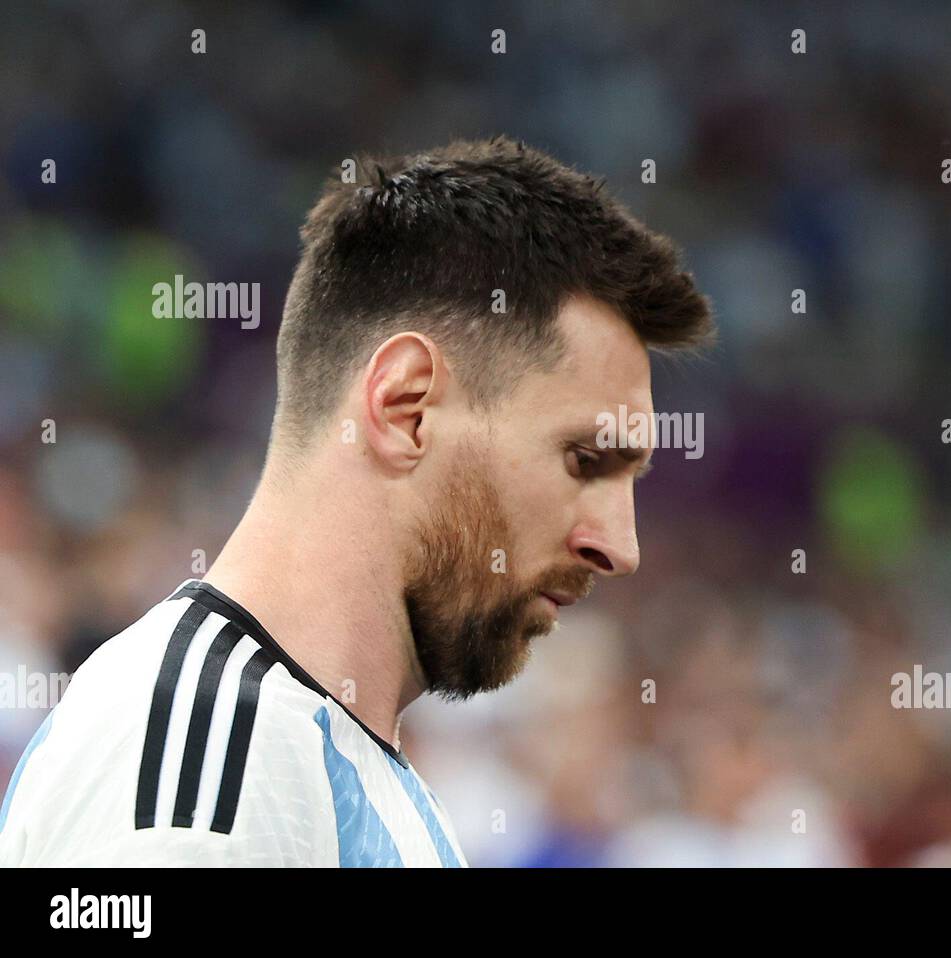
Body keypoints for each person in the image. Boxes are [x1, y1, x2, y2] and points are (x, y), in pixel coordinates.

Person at [0, 137, 714, 866]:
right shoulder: (208, 774)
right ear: (407, 408)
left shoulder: (329, 761)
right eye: (585, 459)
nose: (620, 547)